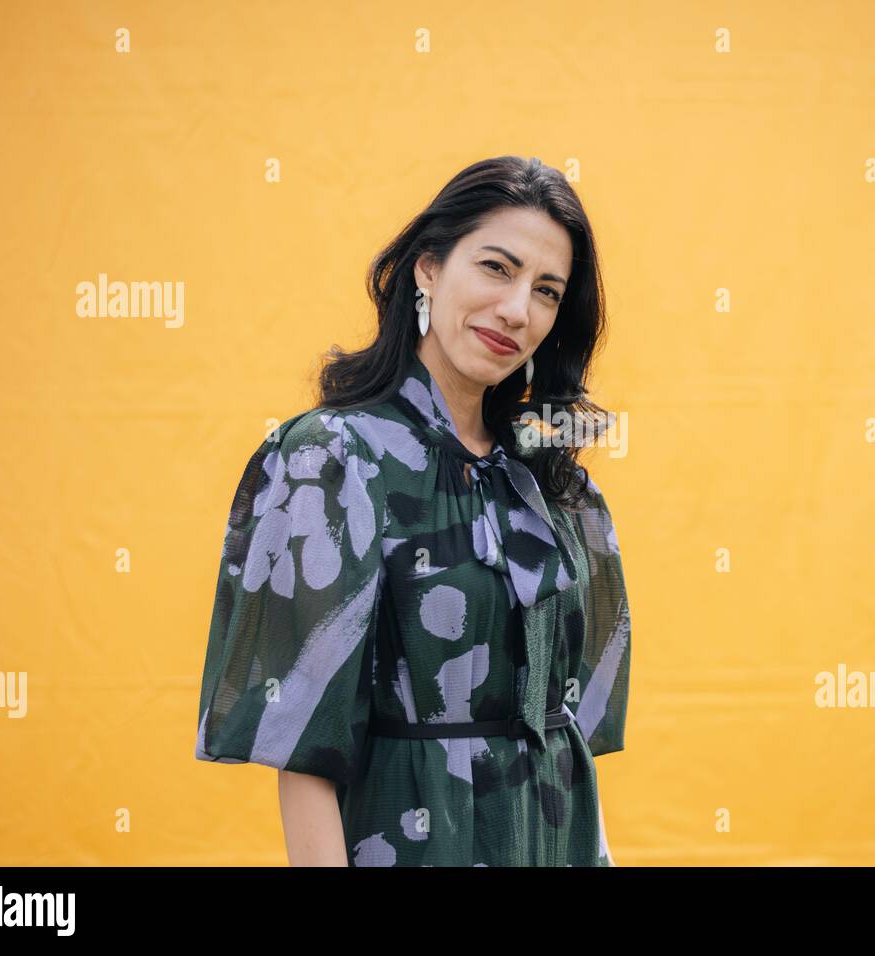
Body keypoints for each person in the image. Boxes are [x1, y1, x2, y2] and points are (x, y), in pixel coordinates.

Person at [194, 156, 631, 866]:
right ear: (428, 268)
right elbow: (305, 747)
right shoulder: (332, 458)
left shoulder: (553, 482)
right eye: (497, 267)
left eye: (547, 291)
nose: (518, 310)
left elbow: (567, 737)